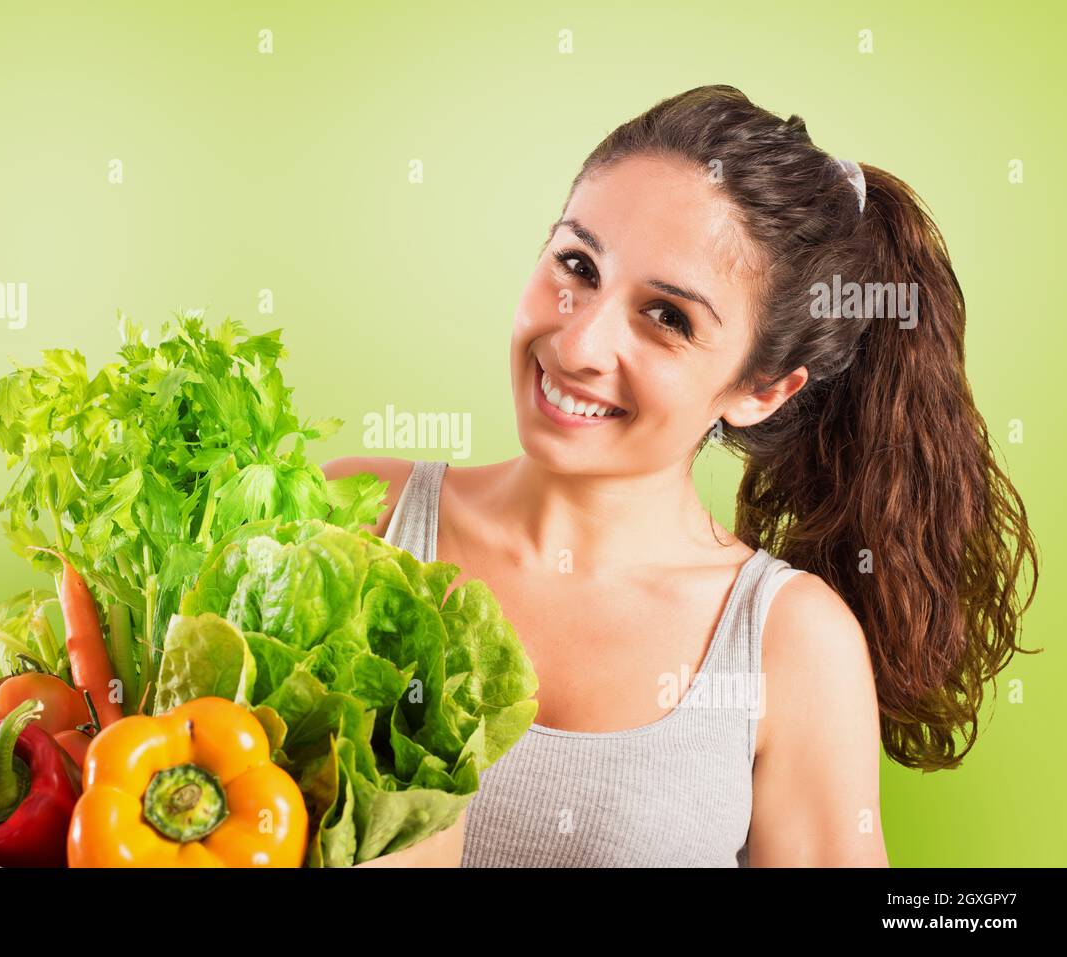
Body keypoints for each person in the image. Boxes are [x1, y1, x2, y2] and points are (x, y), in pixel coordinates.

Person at [322, 85, 1039, 868]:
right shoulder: (358, 518)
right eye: (577, 264)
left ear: (760, 390)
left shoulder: (789, 645)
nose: (581, 342)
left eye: (669, 317)